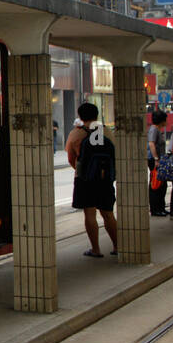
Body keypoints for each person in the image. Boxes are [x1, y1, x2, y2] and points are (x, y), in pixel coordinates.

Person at [69, 102, 118, 257]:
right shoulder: (107, 132)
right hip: (105, 179)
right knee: (108, 214)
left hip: (85, 180)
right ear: (97, 115)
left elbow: (71, 158)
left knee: (89, 214)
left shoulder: (75, 134)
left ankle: (95, 249)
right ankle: (118, 247)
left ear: (80, 117)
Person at [147, 108, 169, 217]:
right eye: (165, 119)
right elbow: (151, 144)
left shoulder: (156, 129)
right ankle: (156, 209)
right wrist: (156, 159)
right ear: (161, 120)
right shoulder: (154, 129)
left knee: (162, 185)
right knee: (156, 185)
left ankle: (161, 207)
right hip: (155, 161)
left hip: (160, 160)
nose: (167, 121)